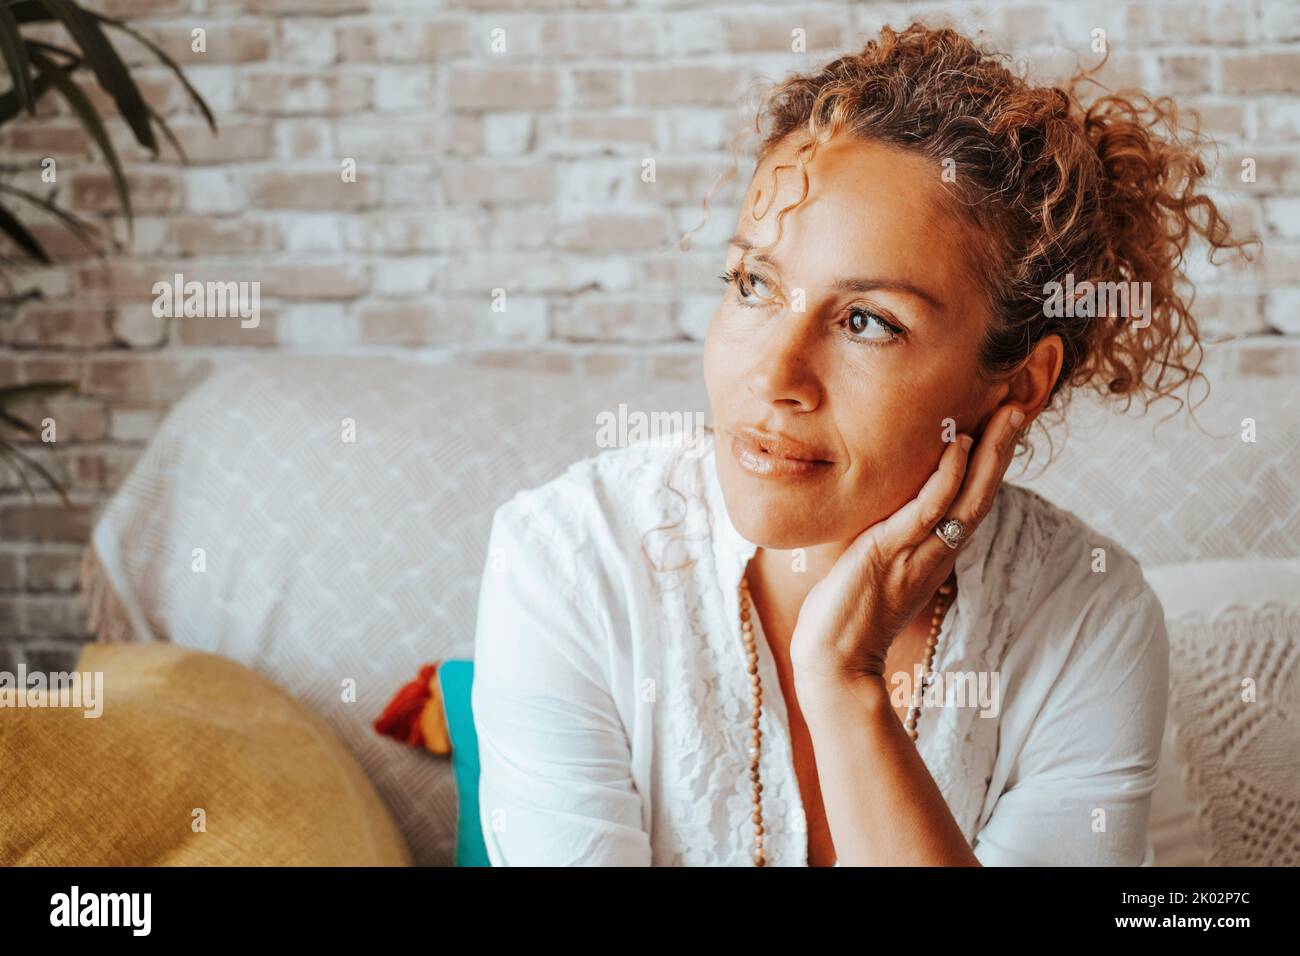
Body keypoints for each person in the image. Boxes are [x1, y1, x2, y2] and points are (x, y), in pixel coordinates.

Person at [471, 21, 1256, 866]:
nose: (776, 376)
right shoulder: (566, 559)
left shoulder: (1087, 618)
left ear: (1020, 382)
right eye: (753, 284)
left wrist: (844, 681)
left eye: (866, 321)